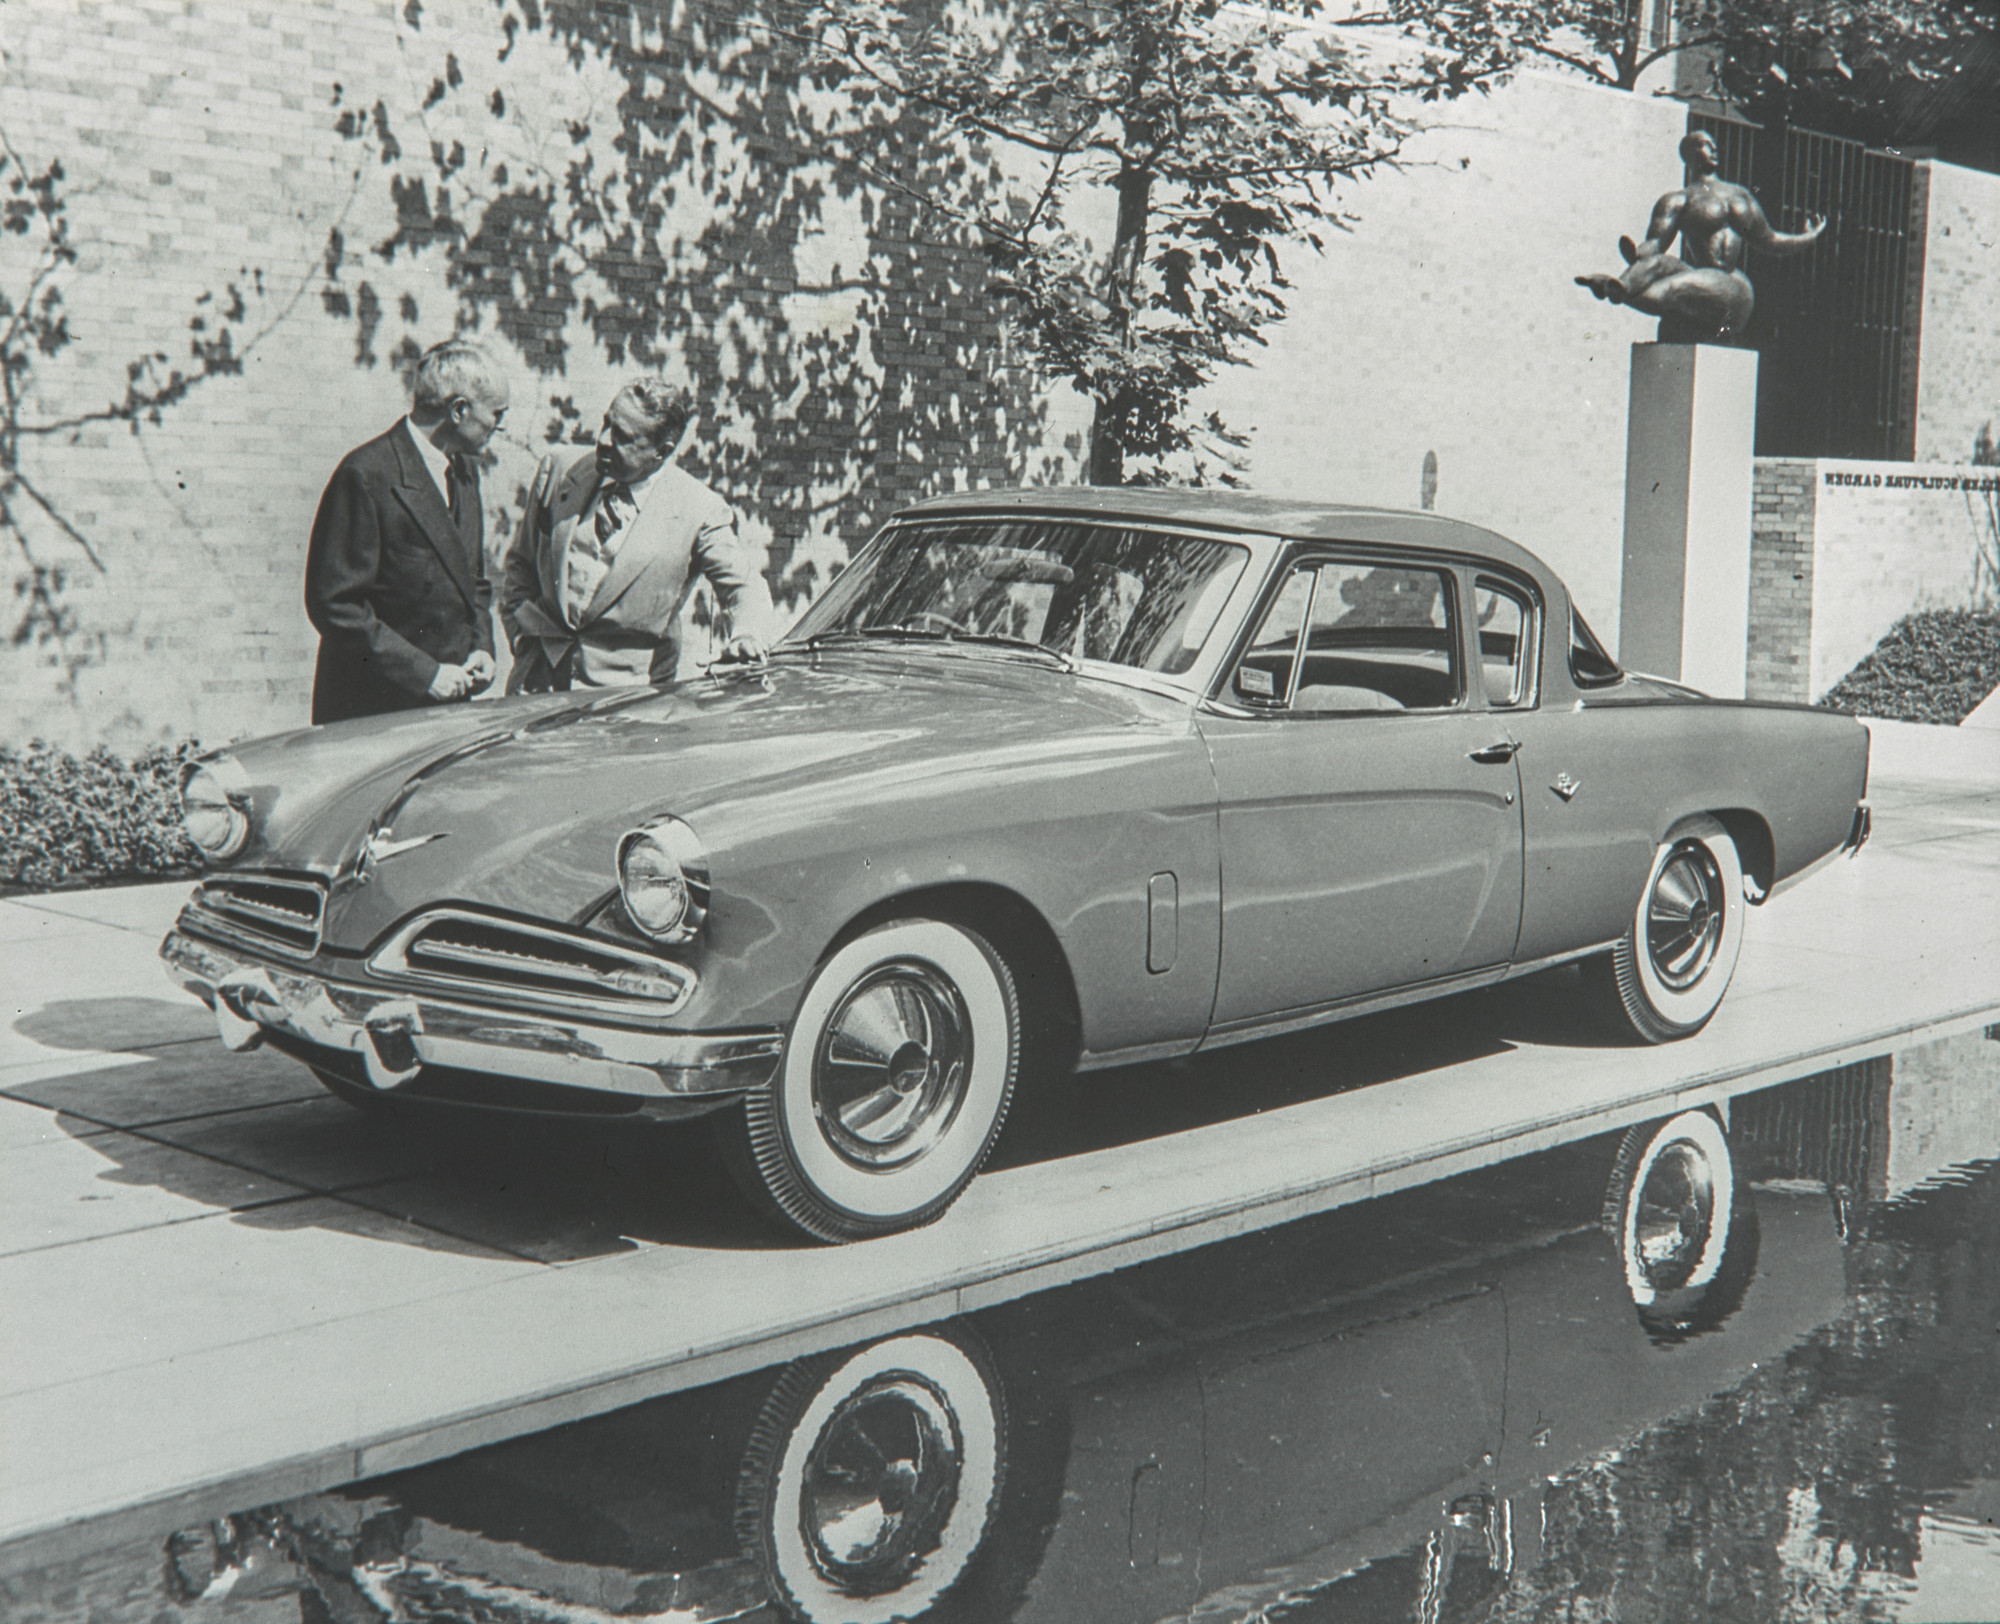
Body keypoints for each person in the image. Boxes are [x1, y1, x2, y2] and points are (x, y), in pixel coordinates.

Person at [501, 379, 773, 691]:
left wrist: (746, 633)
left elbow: (745, 585)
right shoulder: (561, 470)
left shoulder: (699, 509)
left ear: (661, 451)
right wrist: (521, 637)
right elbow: (520, 564)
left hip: (627, 701)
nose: (603, 440)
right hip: (537, 685)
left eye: (623, 438)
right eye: (607, 423)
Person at [304, 340, 509, 724]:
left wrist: (482, 648)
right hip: (375, 709)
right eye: (497, 413)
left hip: (447, 704)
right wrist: (424, 673)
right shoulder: (367, 474)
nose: (500, 425)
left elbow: (473, 583)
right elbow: (335, 605)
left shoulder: (464, 473)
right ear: (459, 410)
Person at [1576, 130, 1825, 343]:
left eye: (1715, 145)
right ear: (1689, 155)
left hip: (1732, 287)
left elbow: (1769, 239)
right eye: (1705, 145)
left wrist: (1809, 236)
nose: (1714, 149)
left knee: (1671, 289)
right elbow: (1655, 245)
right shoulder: (1676, 200)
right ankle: (1620, 286)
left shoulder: (1737, 196)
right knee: (1660, 263)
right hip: (1700, 277)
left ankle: (1613, 287)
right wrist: (1639, 254)